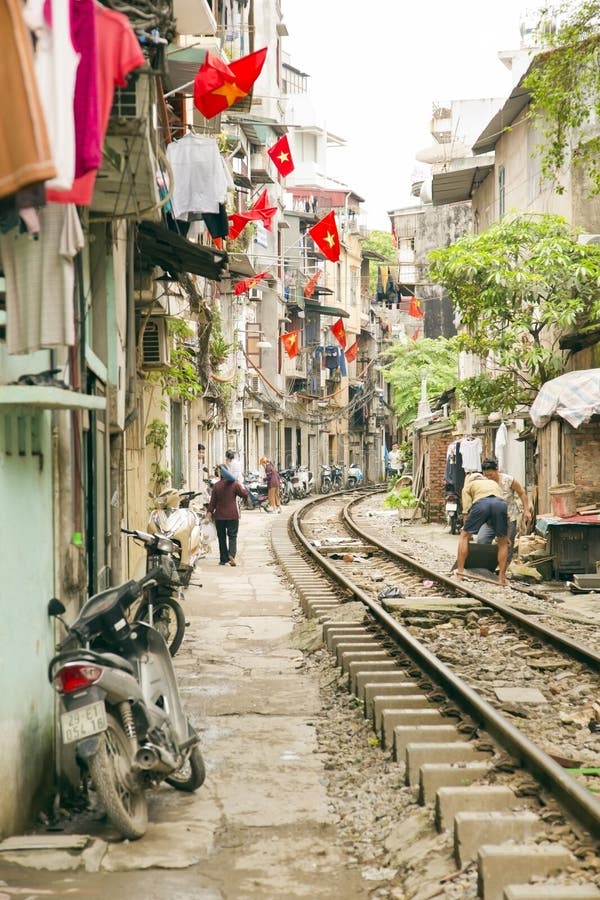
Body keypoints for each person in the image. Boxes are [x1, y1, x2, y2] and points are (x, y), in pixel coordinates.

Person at [455, 471, 510, 586]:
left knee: (463, 537)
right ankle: (501, 579)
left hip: (481, 503)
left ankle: (460, 573)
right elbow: (503, 509)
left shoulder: (468, 486)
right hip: (500, 504)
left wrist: (467, 530)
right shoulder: (493, 483)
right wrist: (507, 535)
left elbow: (465, 510)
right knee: (503, 542)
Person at [476, 458, 531, 561]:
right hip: (490, 519)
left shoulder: (508, 480)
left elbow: (522, 493)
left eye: (491, 475)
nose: (489, 478)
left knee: (507, 545)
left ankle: (503, 571)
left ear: (497, 470)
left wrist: (526, 510)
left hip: (509, 518)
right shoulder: (484, 482)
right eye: (486, 475)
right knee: (482, 540)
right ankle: (486, 566)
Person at [206, 464, 249, 566]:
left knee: (221, 537)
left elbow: (212, 503)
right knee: (232, 536)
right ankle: (231, 555)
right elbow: (245, 494)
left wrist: (208, 515)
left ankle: (223, 559)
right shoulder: (234, 484)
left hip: (220, 516)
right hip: (232, 515)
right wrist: (243, 487)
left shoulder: (216, 486)